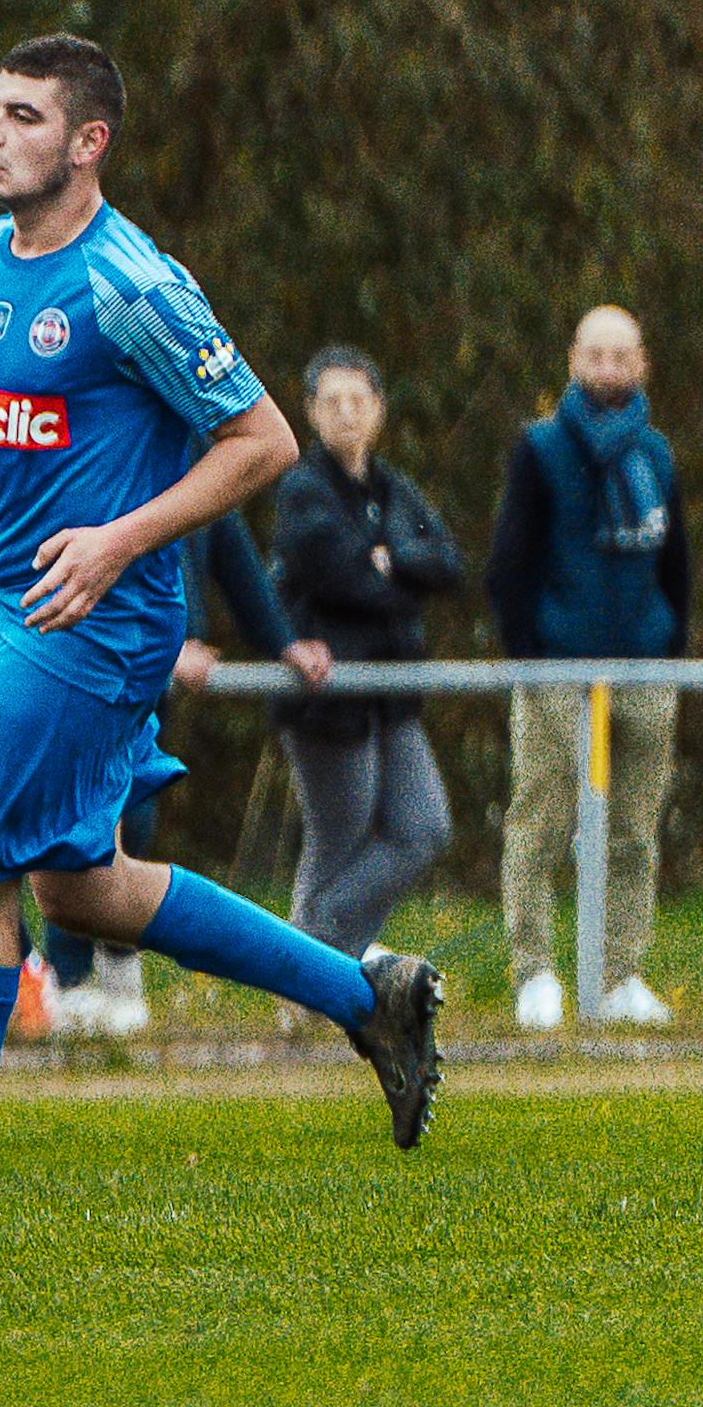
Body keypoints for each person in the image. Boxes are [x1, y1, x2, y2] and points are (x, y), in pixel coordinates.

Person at [0, 39, 440, 1186]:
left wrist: (119, 541)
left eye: (20, 115)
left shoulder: (132, 286)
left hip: (92, 629)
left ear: (87, 142)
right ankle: (366, 998)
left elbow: (261, 440)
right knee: (80, 887)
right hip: (15, 615)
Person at [485, 303, 687, 1030]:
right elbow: (508, 566)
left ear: (641, 365)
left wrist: (670, 651)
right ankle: (534, 972)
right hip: (557, 668)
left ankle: (618, 973)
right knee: (540, 821)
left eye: (620, 356)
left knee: (634, 830)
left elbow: (677, 564)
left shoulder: (657, 455)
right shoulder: (539, 449)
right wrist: (529, 660)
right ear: (574, 360)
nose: (607, 369)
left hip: (644, 668)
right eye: (594, 355)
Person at [237, 346, 468, 974]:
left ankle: (313, 953)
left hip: (391, 690)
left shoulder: (393, 487)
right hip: (328, 699)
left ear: (379, 409)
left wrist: (392, 559)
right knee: (340, 839)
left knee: (423, 828)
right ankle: (313, 971)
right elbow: (341, 575)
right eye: (331, 400)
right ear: (310, 412)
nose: (346, 413)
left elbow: (446, 561)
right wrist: (388, 566)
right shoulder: (303, 490)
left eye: (358, 399)